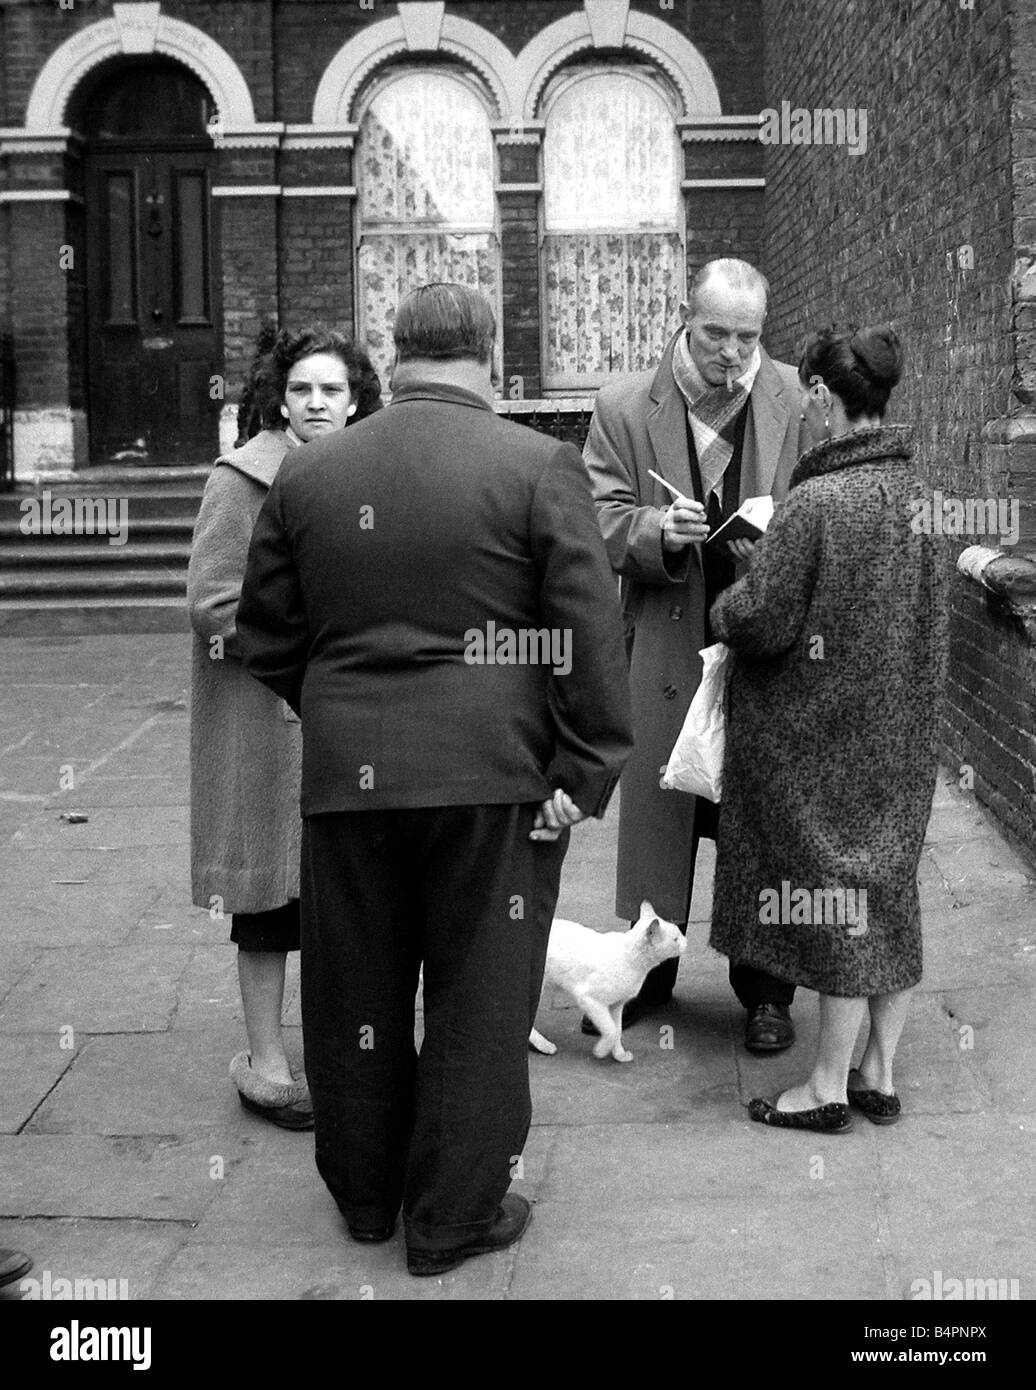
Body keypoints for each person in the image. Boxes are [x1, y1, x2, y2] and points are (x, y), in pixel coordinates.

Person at [236, 283, 632, 1275]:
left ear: (392, 351)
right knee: (479, 999)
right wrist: (581, 770)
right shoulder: (538, 464)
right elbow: (588, 636)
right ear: (487, 353)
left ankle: (367, 1198)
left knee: (354, 992)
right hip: (492, 780)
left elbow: (266, 638)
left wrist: (338, 706)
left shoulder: (312, 475)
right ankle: (451, 1217)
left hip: (348, 784)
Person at [708, 325, 948, 1132]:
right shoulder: (924, 497)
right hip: (903, 729)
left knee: (835, 896)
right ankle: (878, 1071)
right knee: (888, 887)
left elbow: (762, 623)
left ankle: (825, 1087)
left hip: (820, 735)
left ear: (820, 394)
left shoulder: (814, 503)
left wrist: (738, 585)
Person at [582, 258, 810, 1053]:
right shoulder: (621, 406)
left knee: (760, 820)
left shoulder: (793, 397)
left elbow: (815, 505)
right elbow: (597, 516)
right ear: (684, 316)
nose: (732, 354)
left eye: (748, 337)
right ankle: (646, 975)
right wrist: (653, 534)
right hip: (667, 645)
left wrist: (785, 539)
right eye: (716, 333)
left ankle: (767, 990)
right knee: (662, 817)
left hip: (761, 648)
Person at [188, 326, 383, 1129]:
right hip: (268, 720)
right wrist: (314, 636)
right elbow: (210, 606)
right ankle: (267, 1064)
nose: (315, 403)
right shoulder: (240, 481)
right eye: (301, 388)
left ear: (356, 399)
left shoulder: (371, 474)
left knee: (347, 896)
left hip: (353, 723)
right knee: (268, 898)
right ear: (278, 397)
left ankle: (343, 1054)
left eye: (332, 390)